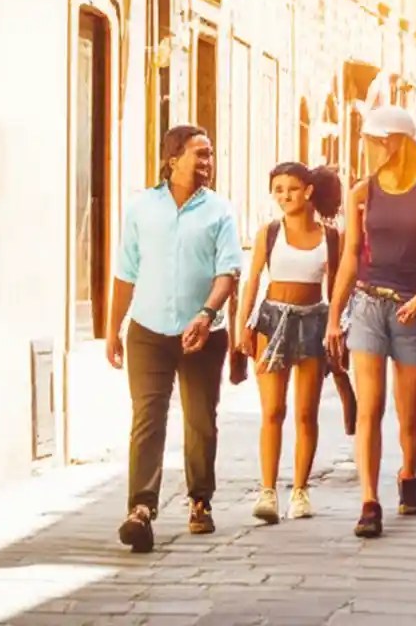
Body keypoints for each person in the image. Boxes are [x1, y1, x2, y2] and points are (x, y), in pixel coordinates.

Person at [106, 125, 244, 553]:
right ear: (172, 158)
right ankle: (140, 509)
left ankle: (200, 500)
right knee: (148, 417)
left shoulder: (219, 211)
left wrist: (206, 315)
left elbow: (229, 271)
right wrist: (113, 328)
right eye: (199, 154)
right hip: (147, 329)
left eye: (210, 154)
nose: (207, 162)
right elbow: (126, 273)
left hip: (203, 333)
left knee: (200, 419)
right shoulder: (141, 207)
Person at [325, 105, 416, 538]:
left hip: (413, 309)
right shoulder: (361, 193)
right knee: (370, 407)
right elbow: (348, 257)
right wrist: (333, 315)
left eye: (373, 142)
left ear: (394, 143)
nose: (367, 150)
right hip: (368, 305)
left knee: (409, 413)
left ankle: (409, 472)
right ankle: (369, 500)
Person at [236, 163, 344, 524]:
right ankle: (267, 491)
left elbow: (338, 290)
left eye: (292, 189)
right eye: (278, 189)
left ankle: (300, 490)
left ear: (308, 191)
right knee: (272, 411)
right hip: (271, 320)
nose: (285, 196)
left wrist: (335, 328)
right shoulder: (269, 232)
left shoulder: (330, 237)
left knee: (305, 412)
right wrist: (242, 326)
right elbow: (252, 282)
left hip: (313, 320)